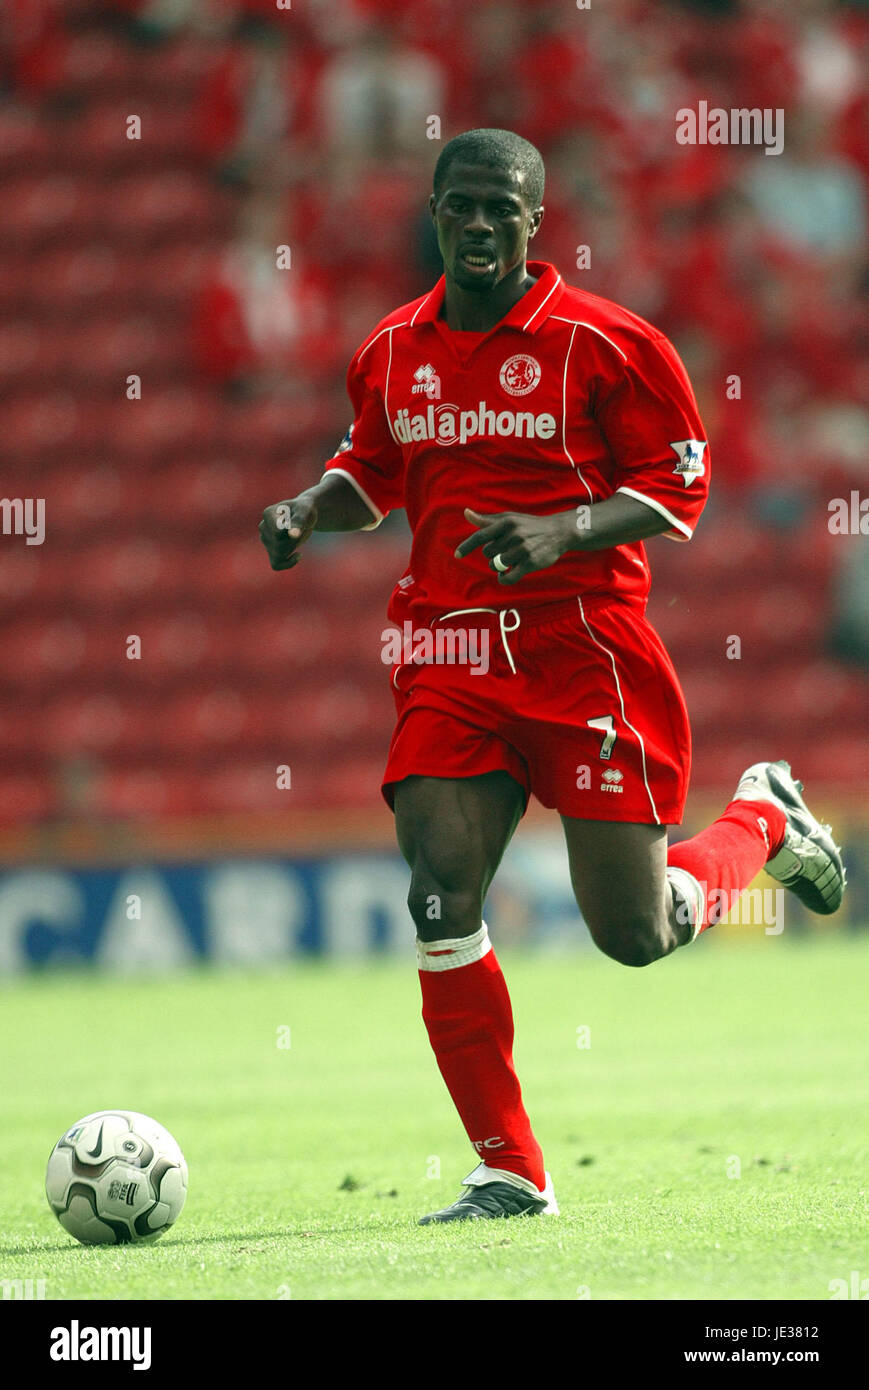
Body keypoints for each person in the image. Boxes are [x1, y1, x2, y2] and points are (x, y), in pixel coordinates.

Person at [259, 129, 845, 1224]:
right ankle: (509, 1171)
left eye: (501, 210)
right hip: (447, 653)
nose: (478, 226)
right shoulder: (390, 347)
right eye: (459, 208)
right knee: (438, 886)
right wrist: (307, 507)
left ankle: (761, 818)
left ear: (535, 224)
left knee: (633, 934)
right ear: (433, 213)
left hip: (585, 653)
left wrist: (562, 530)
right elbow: (369, 472)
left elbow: (678, 487)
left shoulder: (609, 342)